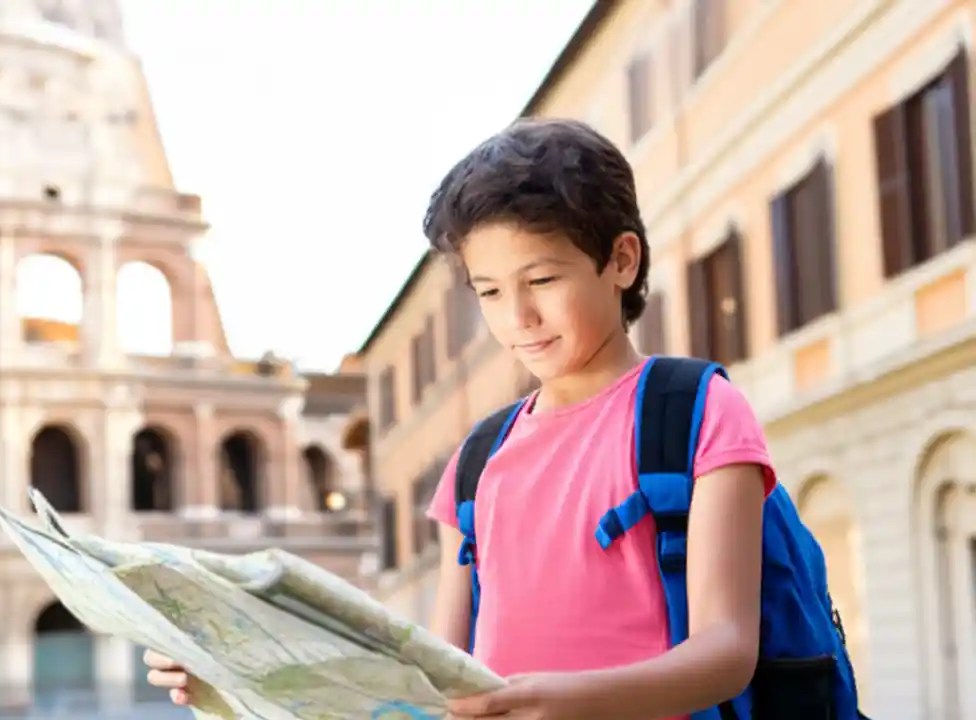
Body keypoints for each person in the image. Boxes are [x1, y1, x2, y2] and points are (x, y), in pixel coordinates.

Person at [141, 118, 775, 720]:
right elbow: (434, 688)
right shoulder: (477, 460)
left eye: (543, 279)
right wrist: (235, 674)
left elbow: (725, 653)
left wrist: (566, 702)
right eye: (491, 292)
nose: (517, 317)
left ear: (622, 261)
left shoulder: (695, 411)